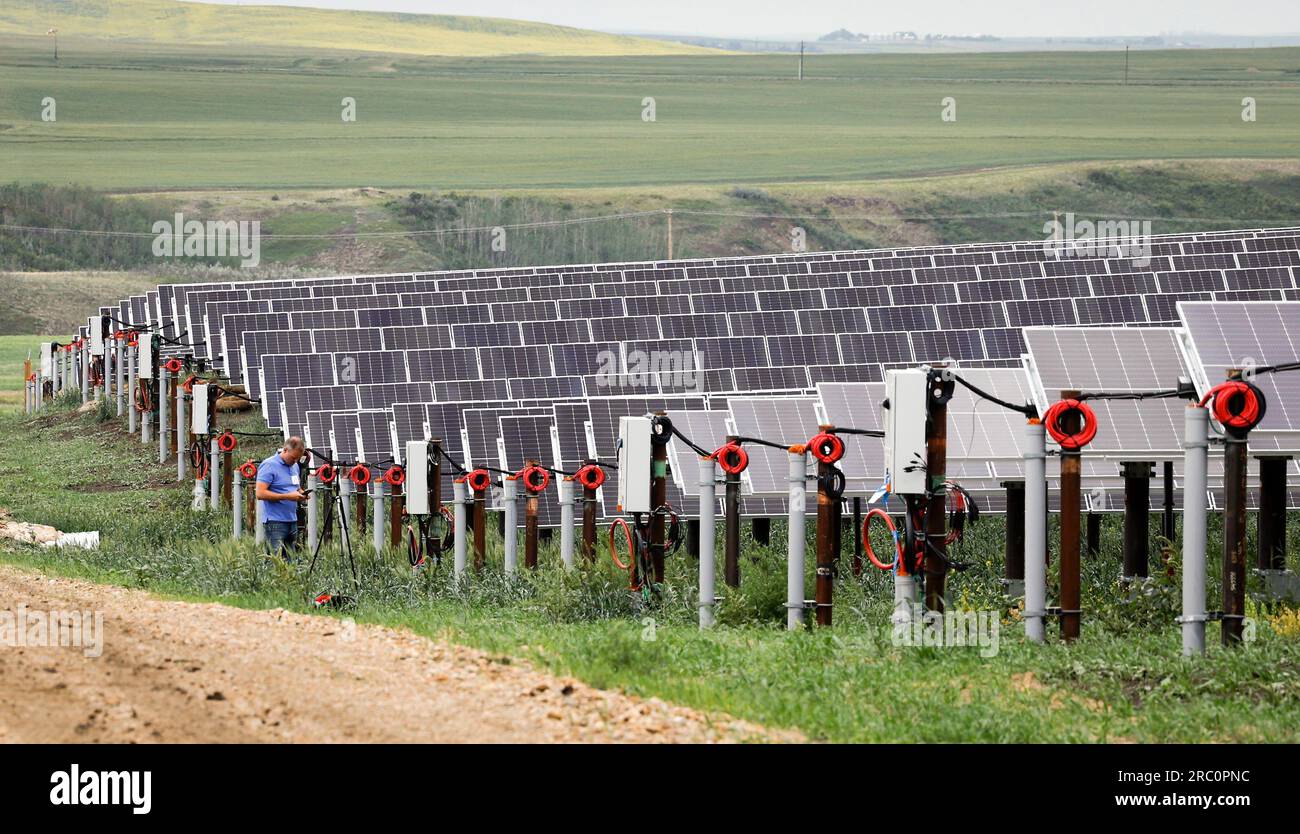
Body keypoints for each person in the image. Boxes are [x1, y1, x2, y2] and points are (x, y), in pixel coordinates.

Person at [256, 436, 308, 559]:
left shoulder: (294, 466)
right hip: (275, 521)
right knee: (275, 560)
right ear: (285, 450)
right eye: (293, 457)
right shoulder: (269, 465)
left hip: (292, 520)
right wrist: (287, 496)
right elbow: (260, 493)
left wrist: (302, 493)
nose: (295, 461)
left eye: (297, 459)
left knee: (290, 561)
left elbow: (295, 487)